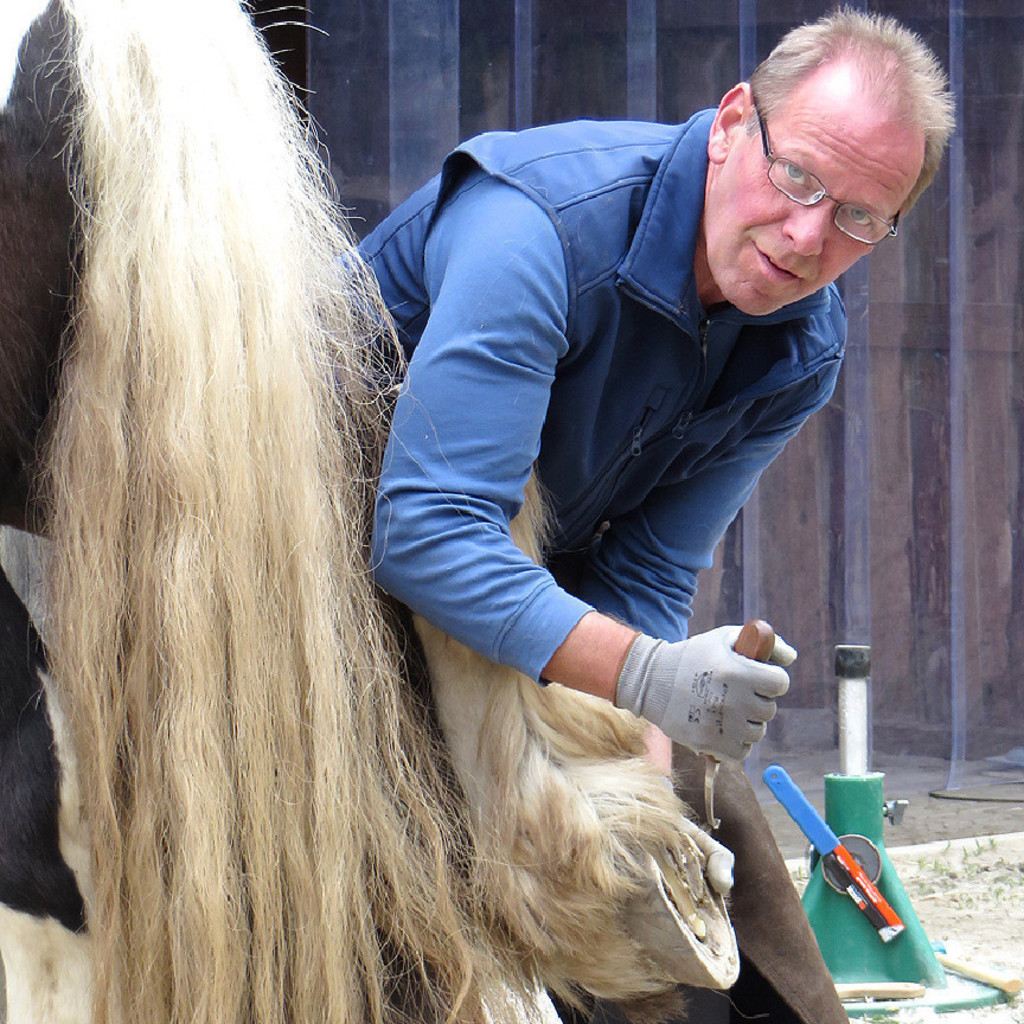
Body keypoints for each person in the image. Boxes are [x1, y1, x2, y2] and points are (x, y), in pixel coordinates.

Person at [362, 9, 953, 1023]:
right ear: (731, 122)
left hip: (511, 628)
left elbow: (640, 571)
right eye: (798, 178)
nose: (808, 237)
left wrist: (650, 741)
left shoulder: (798, 344)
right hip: (334, 595)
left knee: (713, 846)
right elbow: (426, 534)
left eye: (860, 218)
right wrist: (644, 674)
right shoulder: (536, 227)